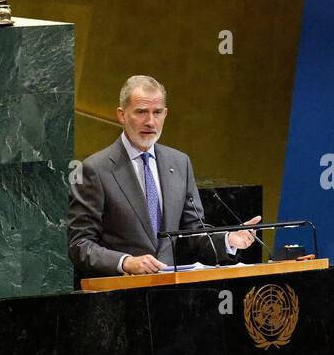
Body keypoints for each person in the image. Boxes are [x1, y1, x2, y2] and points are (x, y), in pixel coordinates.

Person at [67, 75, 261, 282]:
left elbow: (192, 232)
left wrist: (229, 240)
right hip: (121, 295)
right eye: (141, 112)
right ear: (122, 115)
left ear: (165, 114)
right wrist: (125, 262)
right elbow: (80, 245)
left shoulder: (179, 163)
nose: (150, 121)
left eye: (157, 112)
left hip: (171, 295)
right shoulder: (95, 169)